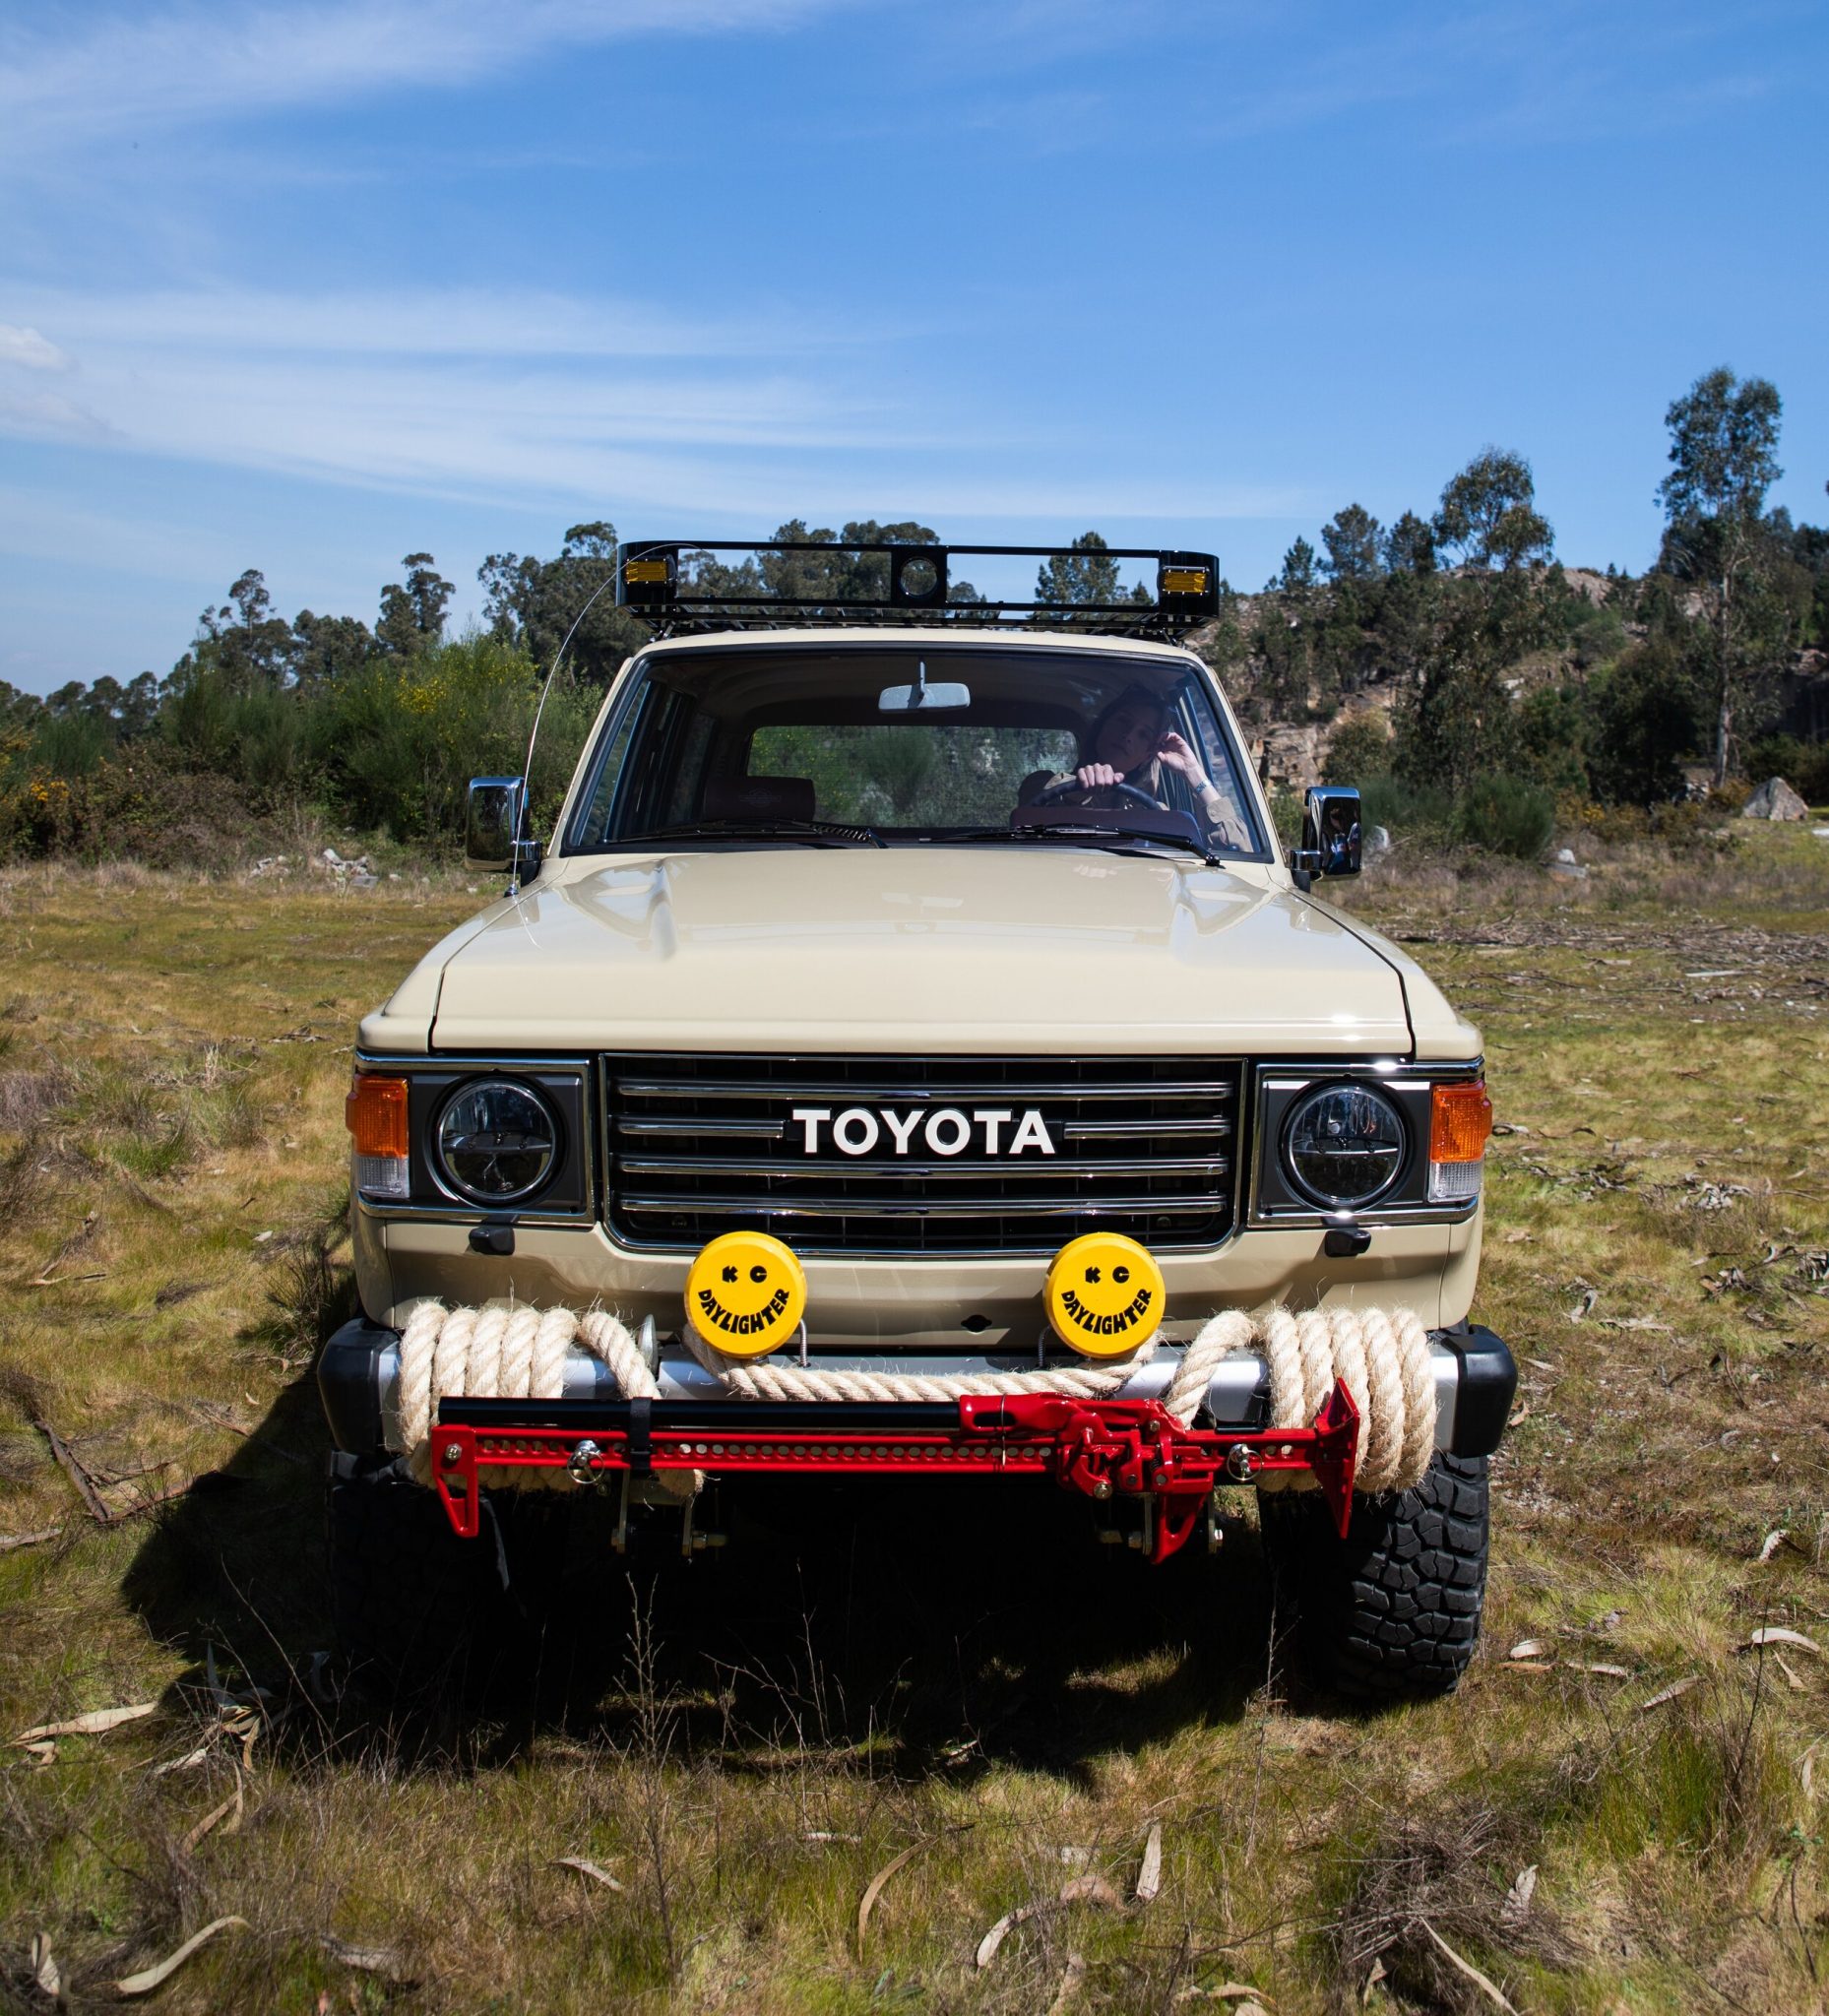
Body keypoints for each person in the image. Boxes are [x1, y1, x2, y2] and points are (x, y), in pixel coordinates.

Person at [1020, 685, 1240, 843]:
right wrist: (1076, 791)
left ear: (1147, 756)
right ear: (1102, 725)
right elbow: (1035, 804)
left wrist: (1194, 774)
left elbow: (1236, 848)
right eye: (1123, 721)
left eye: (1143, 735)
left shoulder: (1154, 815)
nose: (1128, 736)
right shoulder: (1042, 784)